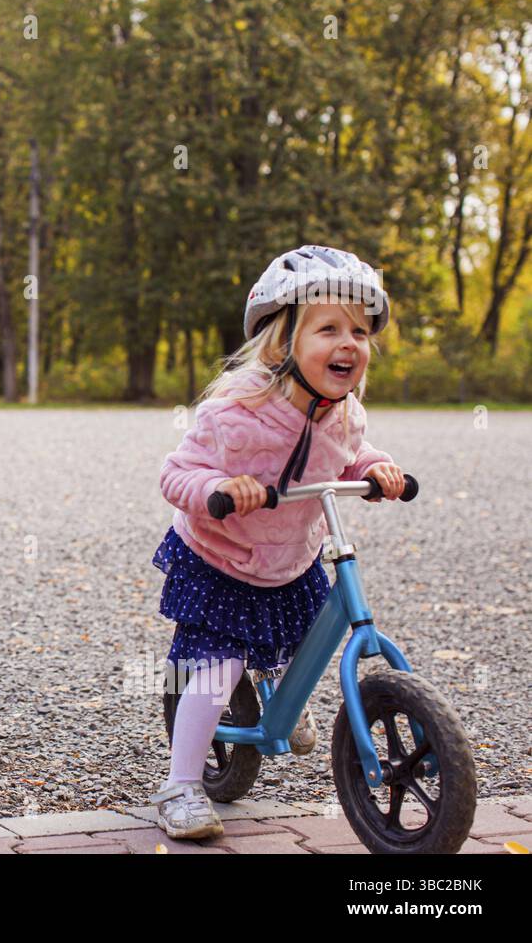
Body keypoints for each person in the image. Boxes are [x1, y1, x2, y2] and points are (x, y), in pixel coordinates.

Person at [153, 245, 407, 839]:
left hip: (290, 559)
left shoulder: (345, 415)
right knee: (217, 671)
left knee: (302, 639)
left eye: (360, 332)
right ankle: (182, 786)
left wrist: (378, 470)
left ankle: (282, 700)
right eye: (328, 329)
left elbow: (351, 457)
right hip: (220, 561)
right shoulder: (235, 412)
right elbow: (175, 474)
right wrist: (219, 487)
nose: (349, 343)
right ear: (281, 343)